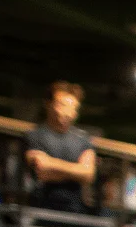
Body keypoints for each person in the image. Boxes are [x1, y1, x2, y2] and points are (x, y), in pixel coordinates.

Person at [24, 81, 95, 213]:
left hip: (76, 210)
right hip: (41, 208)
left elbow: (88, 174)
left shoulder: (83, 139)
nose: (67, 112)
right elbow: (41, 171)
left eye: (73, 107)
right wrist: (75, 171)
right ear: (48, 104)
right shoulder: (35, 135)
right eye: (62, 105)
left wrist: (52, 164)